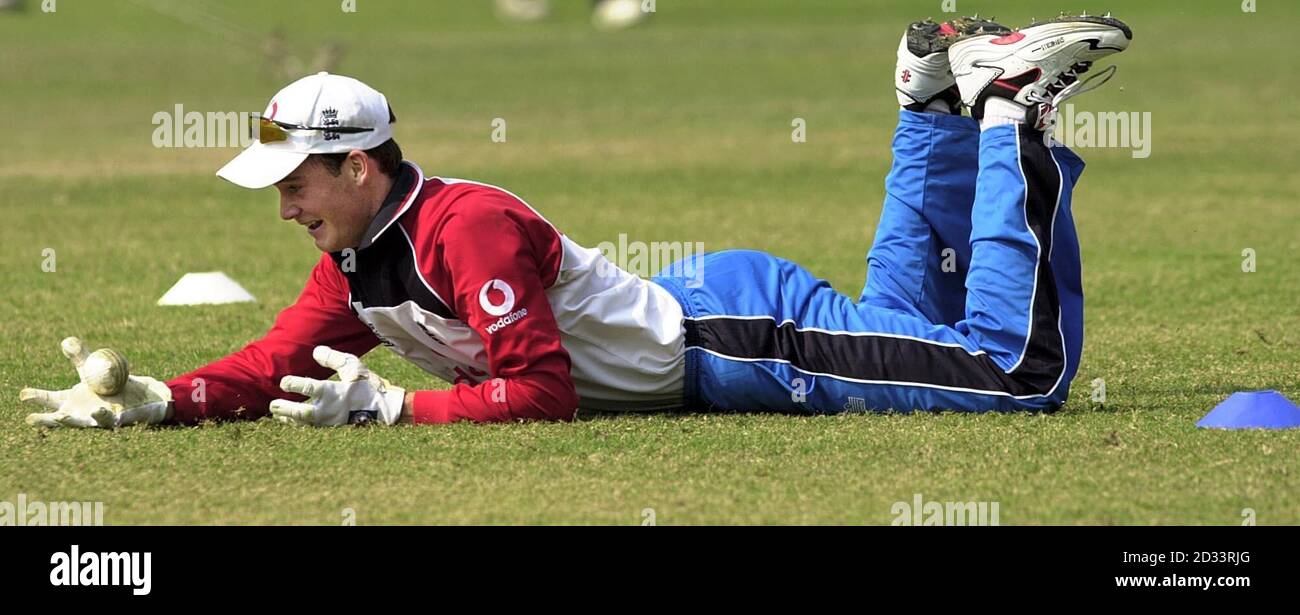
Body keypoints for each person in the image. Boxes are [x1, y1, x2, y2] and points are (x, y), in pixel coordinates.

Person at [19, 14, 1133, 428]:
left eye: (296, 180)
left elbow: (542, 389)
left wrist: (395, 415)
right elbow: (275, 361)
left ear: (359, 166)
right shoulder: (357, 253)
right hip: (706, 312)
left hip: (735, 340)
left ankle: (1005, 109)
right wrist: (159, 400)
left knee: (1009, 374)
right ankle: (930, 107)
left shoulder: (467, 229)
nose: (283, 203)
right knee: (897, 322)